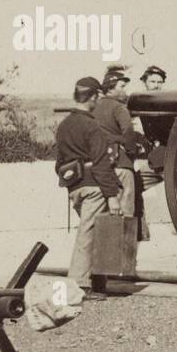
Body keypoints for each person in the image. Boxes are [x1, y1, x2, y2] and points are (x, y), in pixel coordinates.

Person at [54, 76, 121, 295]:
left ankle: (98, 284)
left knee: (98, 233)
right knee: (89, 234)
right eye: (97, 97)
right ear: (92, 97)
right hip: (94, 188)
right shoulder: (93, 127)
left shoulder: (64, 126)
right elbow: (102, 164)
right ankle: (78, 285)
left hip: (75, 188)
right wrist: (112, 195)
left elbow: (59, 165)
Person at [94, 68, 145, 270]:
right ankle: (125, 266)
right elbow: (129, 132)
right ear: (111, 89)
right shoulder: (119, 108)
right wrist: (133, 151)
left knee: (108, 216)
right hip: (122, 165)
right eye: (122, 87)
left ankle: (107, 266)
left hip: (103, 166)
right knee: (126, 215)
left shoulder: (95, 108)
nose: (125, 91)